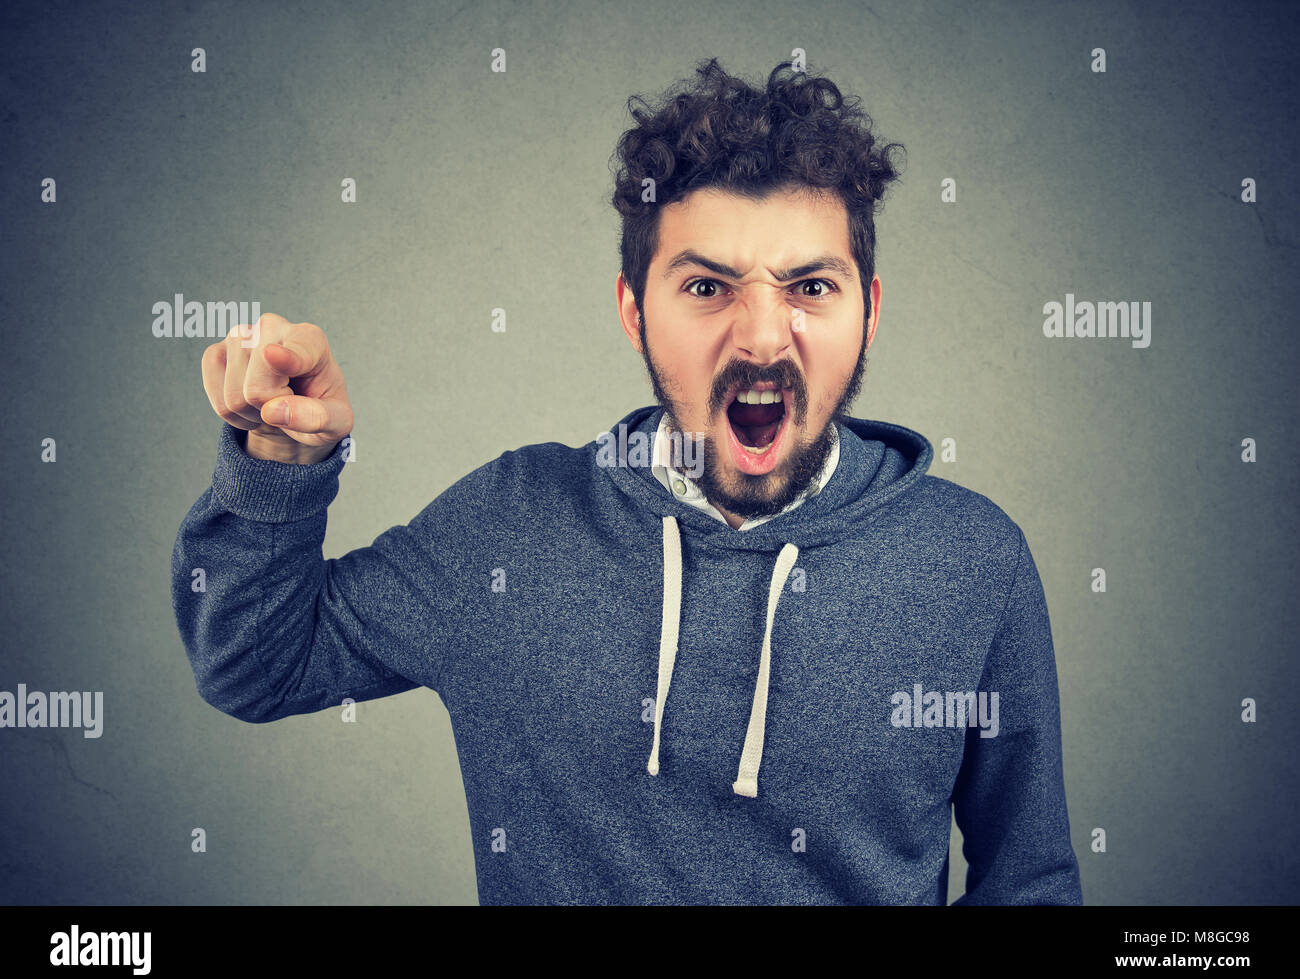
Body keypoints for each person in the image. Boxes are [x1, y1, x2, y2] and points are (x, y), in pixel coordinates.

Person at [172, 57, 1083, 905]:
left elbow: (1031, 882)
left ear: (869, 311)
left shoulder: (972, 561)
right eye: (705, 288)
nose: (764, 338)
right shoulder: (510, 527)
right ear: (633, 311)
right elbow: (256, 664)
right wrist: (277, 469)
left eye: (810, 287)